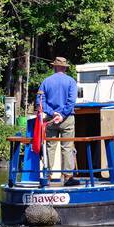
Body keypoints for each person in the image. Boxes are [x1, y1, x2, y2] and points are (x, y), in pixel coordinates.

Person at [39, 56, 78, 187]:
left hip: (50, 120)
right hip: (67, 119)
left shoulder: (46, 81)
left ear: (54, 67)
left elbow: (40, 101)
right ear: (65, 68)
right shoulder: (71, 81)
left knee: (50, 147)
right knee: (67, 147)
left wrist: (52, 113)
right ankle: (67, 178)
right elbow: (71, 101)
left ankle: (48, 177)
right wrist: (62, 115)